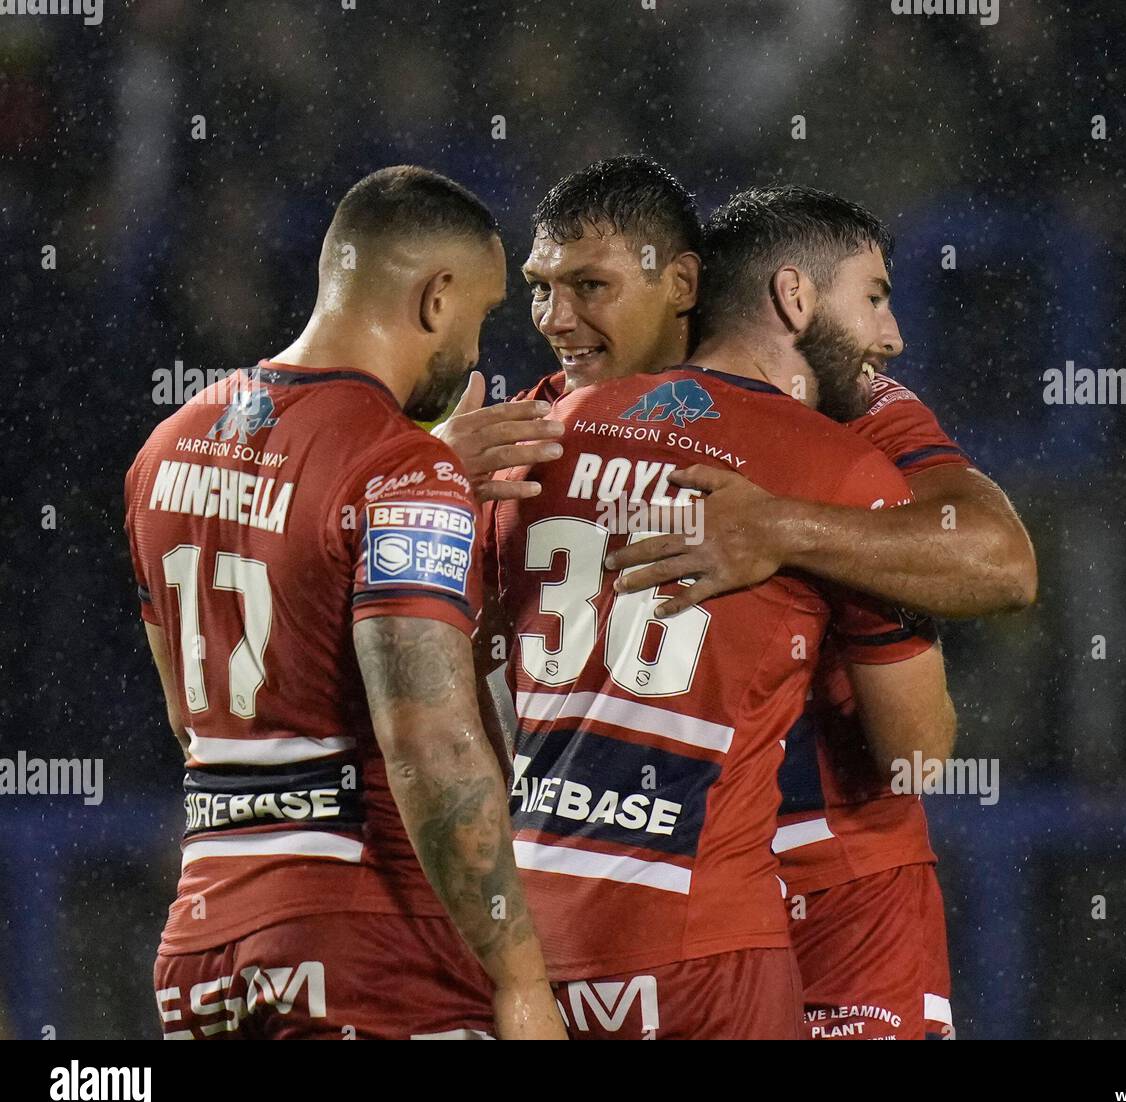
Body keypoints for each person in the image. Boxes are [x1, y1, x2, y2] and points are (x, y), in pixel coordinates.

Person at [443, 155, 1034, 1039]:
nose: (557, 321)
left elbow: (999, 561)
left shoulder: (844, 401)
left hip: (827, 878)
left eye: (591, 287)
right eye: (541, 289)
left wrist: (785, 528)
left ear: (683, 285)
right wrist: (429, 472)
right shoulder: (540, 421)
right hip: (661, 892)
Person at [125, 165, 565, 1040]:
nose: (476, 354)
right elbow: (431, 742)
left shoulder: (164, 449)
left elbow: (188, 719)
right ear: (437, 299)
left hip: (201, 949)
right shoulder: (400, 467)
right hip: (368, 949)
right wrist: (520, 981)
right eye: (479, 318)